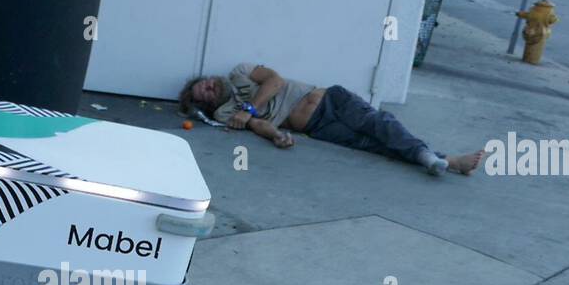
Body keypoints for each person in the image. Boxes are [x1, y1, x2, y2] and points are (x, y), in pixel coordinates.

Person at [179, 63, 484, 176]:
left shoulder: (240, 72)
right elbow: (256, 125)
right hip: (317, 126)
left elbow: (275, 80)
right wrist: (275, 135)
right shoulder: (224, 113)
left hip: (332, 100)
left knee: (379, 124)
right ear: (205, 103)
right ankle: (445, 160)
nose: (208, 88)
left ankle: (430, 156)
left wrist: (252, 108)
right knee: (373, 145)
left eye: (204, 83)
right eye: (203, 94)